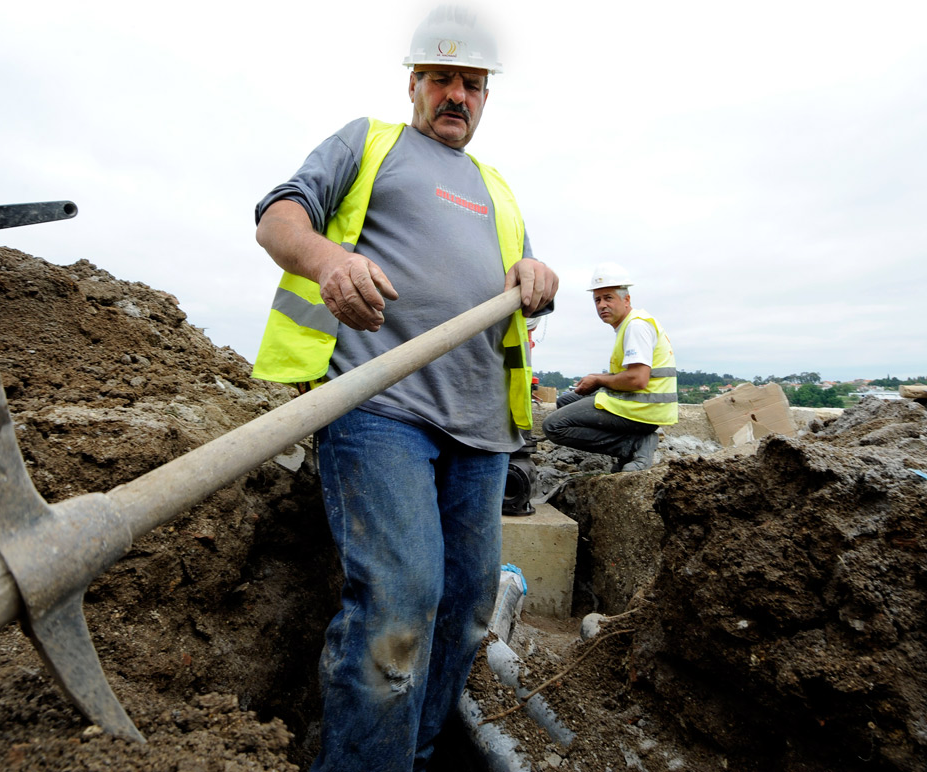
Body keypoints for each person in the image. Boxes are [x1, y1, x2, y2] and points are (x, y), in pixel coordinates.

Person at [250, 6, 558, 770]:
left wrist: (536, 276)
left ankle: (415, 756)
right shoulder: (371, 142)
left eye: (473, 85)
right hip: (381, 408)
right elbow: (278, 216)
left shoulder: (499, 190)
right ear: (415, 83)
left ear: (485, 96)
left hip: (482, 431)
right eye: (443, 79)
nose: (458, 95)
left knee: (460, 616)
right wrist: (328, 263)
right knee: (399, 605)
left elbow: (523, 278)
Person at [542, 262, 678, 471]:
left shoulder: (636, 326)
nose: (602, 305)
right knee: (565, 401)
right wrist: (597, 378)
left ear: (626, 300)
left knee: (553, 426)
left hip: (643, 409)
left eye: (608, 298)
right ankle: (630, 443)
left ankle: (635, 444)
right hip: (635, 403)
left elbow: (637, 379)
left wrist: (598, 380)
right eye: (597, 300)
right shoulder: (628, 325)